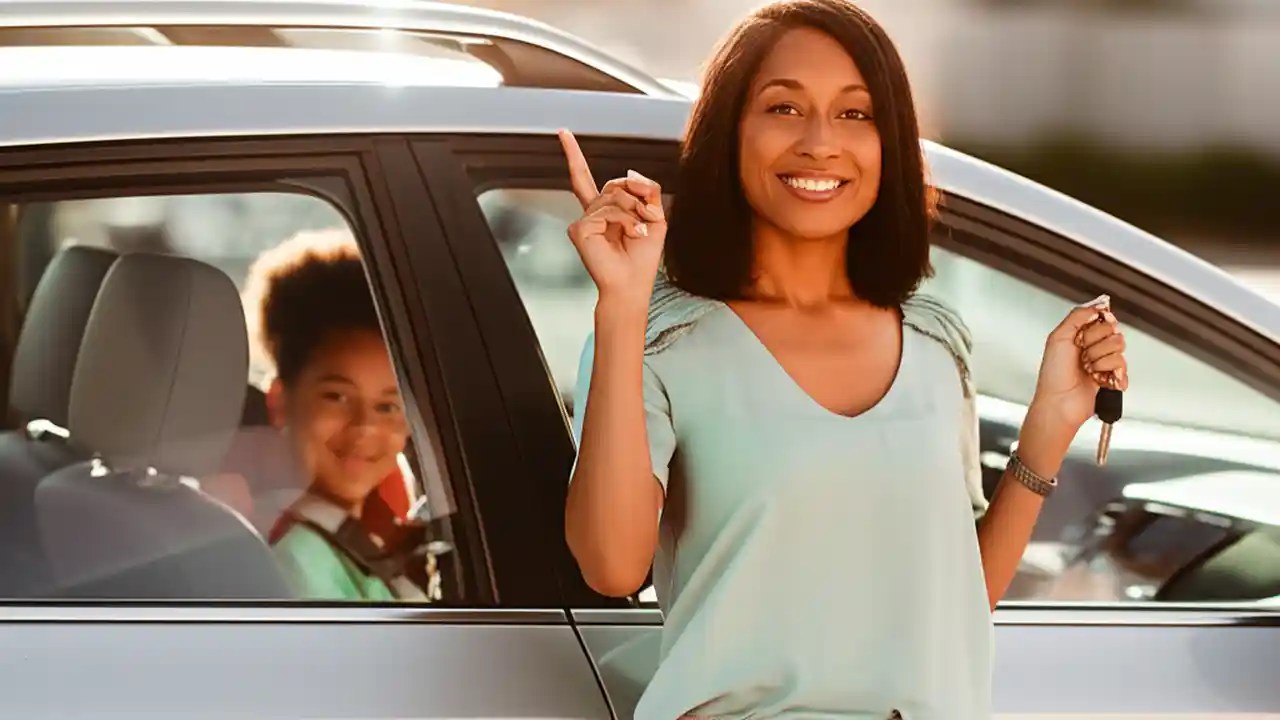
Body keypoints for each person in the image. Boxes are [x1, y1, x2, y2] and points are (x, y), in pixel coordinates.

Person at [560, 1, 1130, 718]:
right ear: (728, 134)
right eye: (783, 107)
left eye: (855, 114)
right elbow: (612, 565)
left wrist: (1048, 427)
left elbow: (948, 605)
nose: (820, 142)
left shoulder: (932, 338)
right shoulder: (660, 340)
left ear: (890, 141)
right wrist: (620, 305)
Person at [243, 228, 412, 601]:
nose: (365, 426)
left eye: (388, 405)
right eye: (336, 397)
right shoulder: (297, 565)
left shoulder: (375, 533)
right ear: (280, 402)